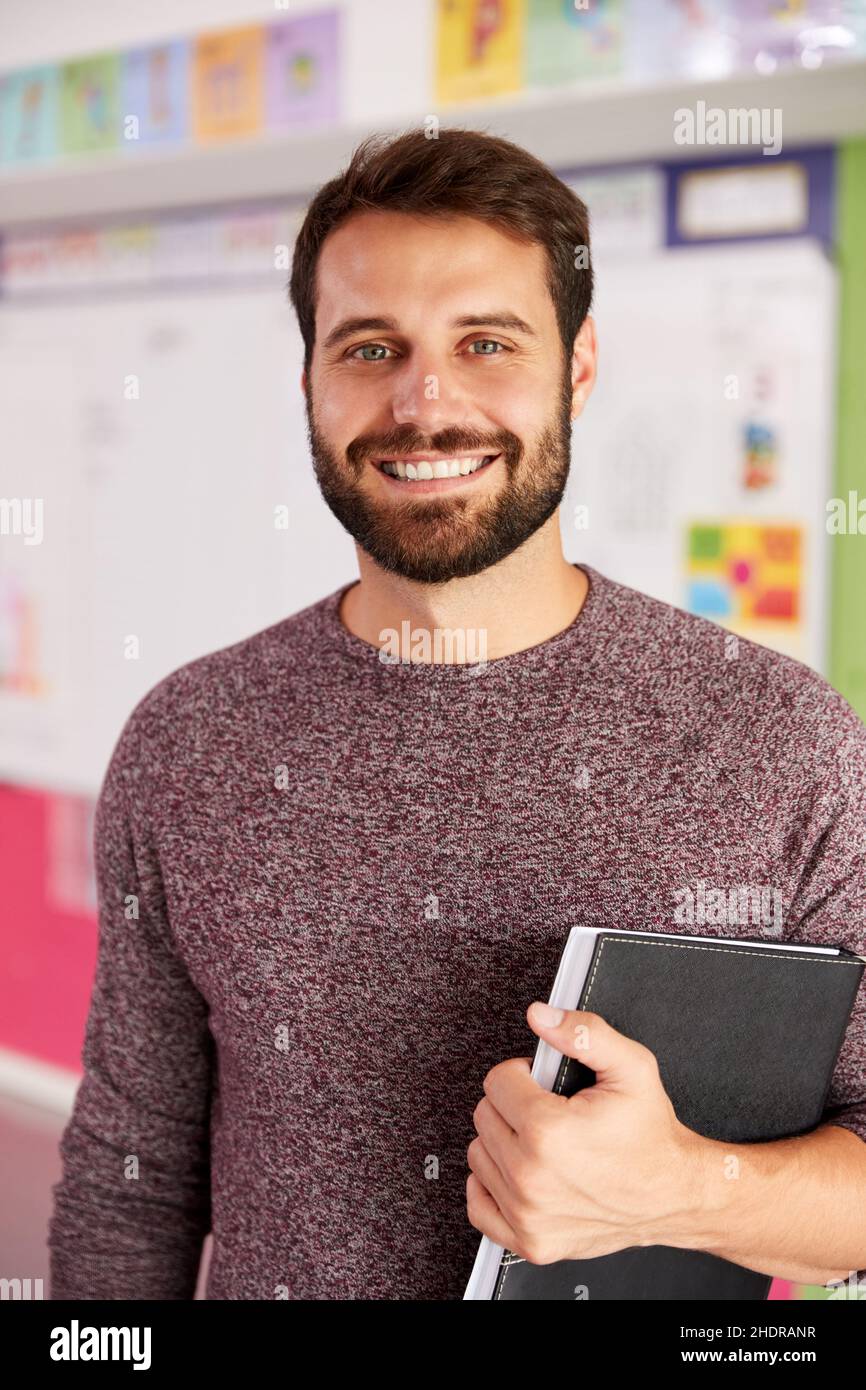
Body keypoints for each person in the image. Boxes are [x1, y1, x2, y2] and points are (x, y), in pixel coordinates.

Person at [48, 128, 866, 1300]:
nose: (423, 404)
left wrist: (684, 1186)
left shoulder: (785, 744)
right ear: (310, 386)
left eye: (486, 343)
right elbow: (130, 1181)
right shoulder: (187, 740)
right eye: (370, 347)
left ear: (577, 368)